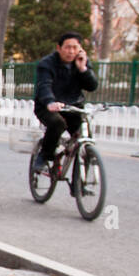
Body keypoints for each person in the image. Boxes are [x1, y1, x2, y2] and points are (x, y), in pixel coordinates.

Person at [33, 32, 97, 172]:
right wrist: (50, 102)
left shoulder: (82, 62)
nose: (71, 51)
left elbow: (92, 86)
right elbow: (44, 85)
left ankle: (79, 185)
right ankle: (45, 155)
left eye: (75, 47)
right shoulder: (47, 64)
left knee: (85, 139)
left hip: (73, 107)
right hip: (48, 106)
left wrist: (83, 69)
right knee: (57, 123)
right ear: (59, 48)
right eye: (68, 47)